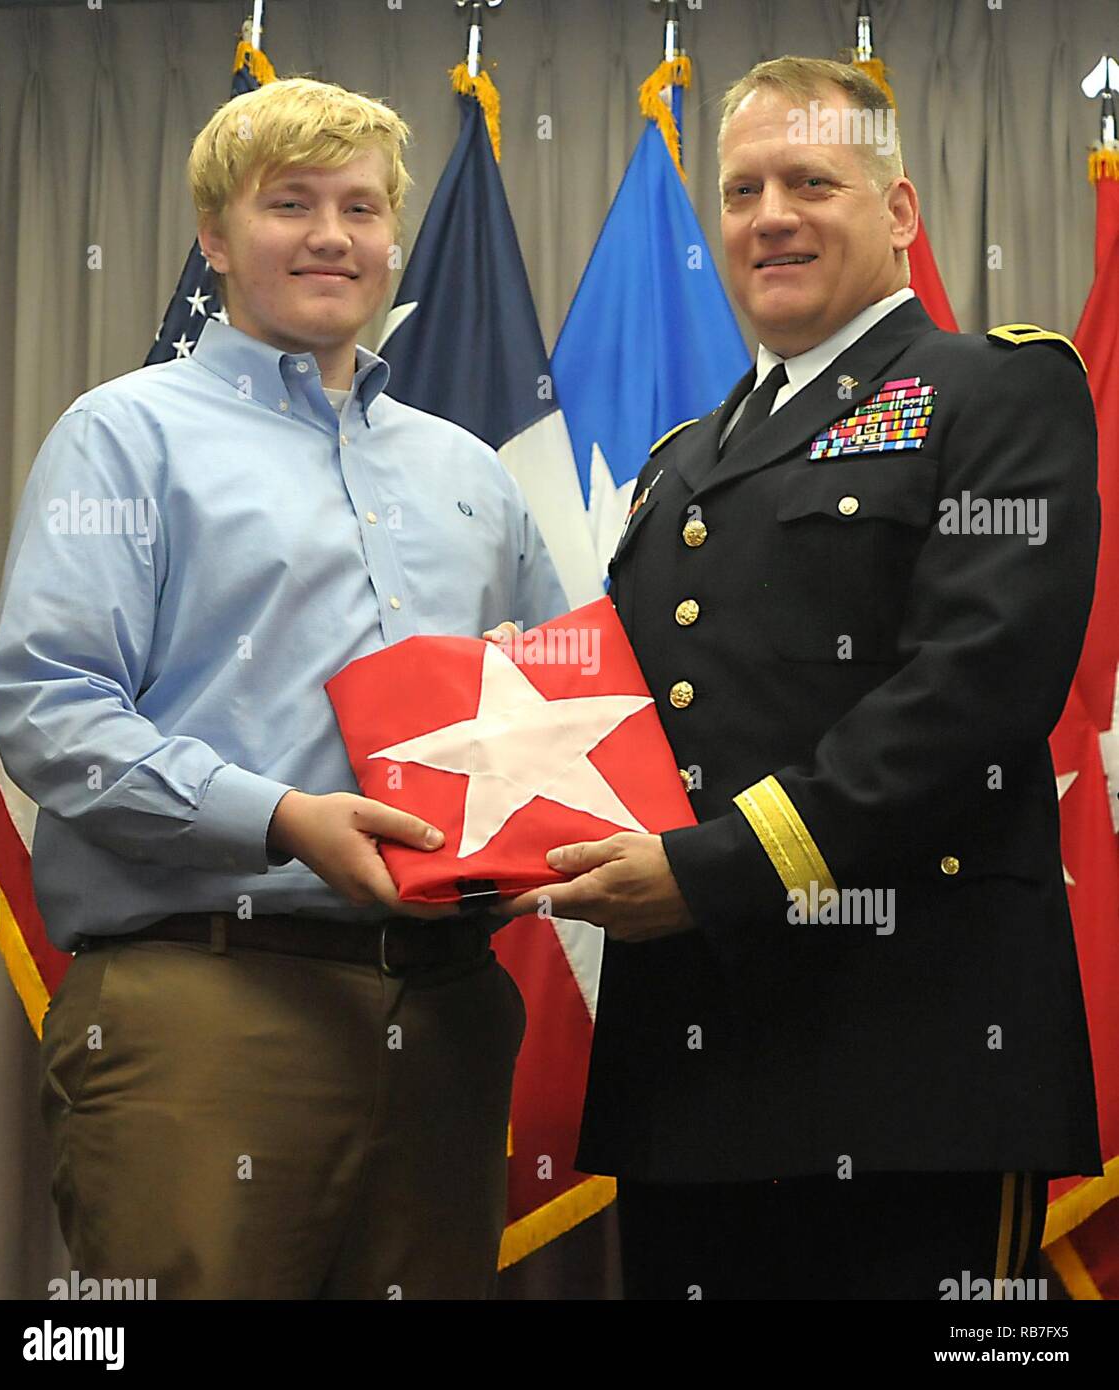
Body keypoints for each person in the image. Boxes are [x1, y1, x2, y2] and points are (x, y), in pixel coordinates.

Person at [504, 56, 1102, 1299]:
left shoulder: (996, 392)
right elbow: (624, 719)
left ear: (898, 213)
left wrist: (711, 871)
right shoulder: (681, 460)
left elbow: (976, 693)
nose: (768, 214)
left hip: (909, 1056)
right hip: (689, 1065)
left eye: (811, 180)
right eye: (741, 191)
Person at [0, 77, 567, 1299]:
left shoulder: (471, 472)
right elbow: (51, 710)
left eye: (362, 207)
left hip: (450, 1014)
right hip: (206, 1008)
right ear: (213, 237)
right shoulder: (123, 436)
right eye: (289, 203)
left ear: (395, 237)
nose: (331, 235)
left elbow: (561, 704)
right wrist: (283, 819)